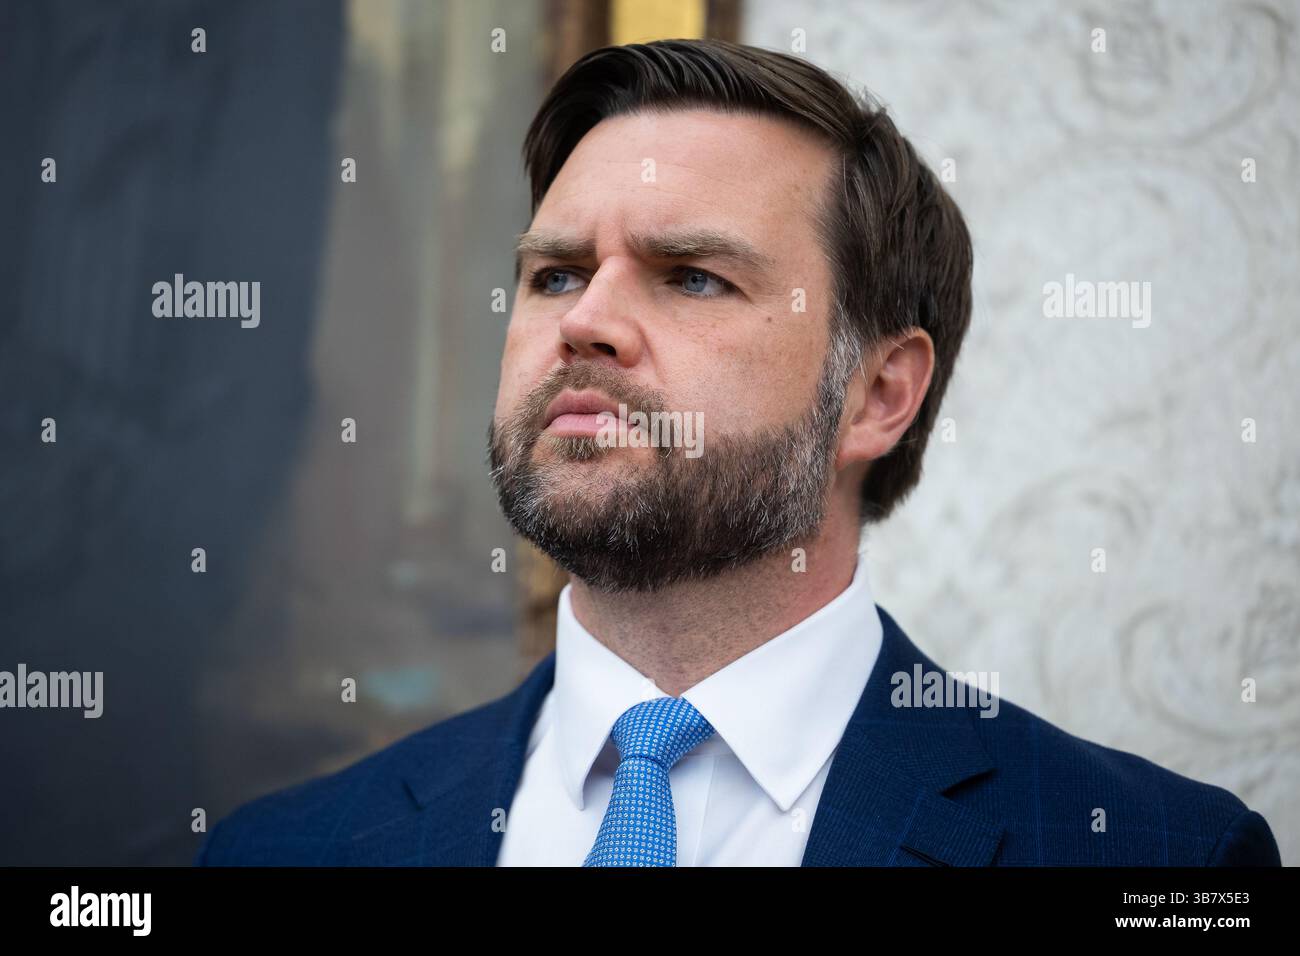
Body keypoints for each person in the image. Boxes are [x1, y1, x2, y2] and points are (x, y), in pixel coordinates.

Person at [197, 38, 1280, 867]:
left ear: (877, 392)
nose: (585, 322)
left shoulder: (1154, 854)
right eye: (557, 273)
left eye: (692, 276)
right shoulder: (284, 849)